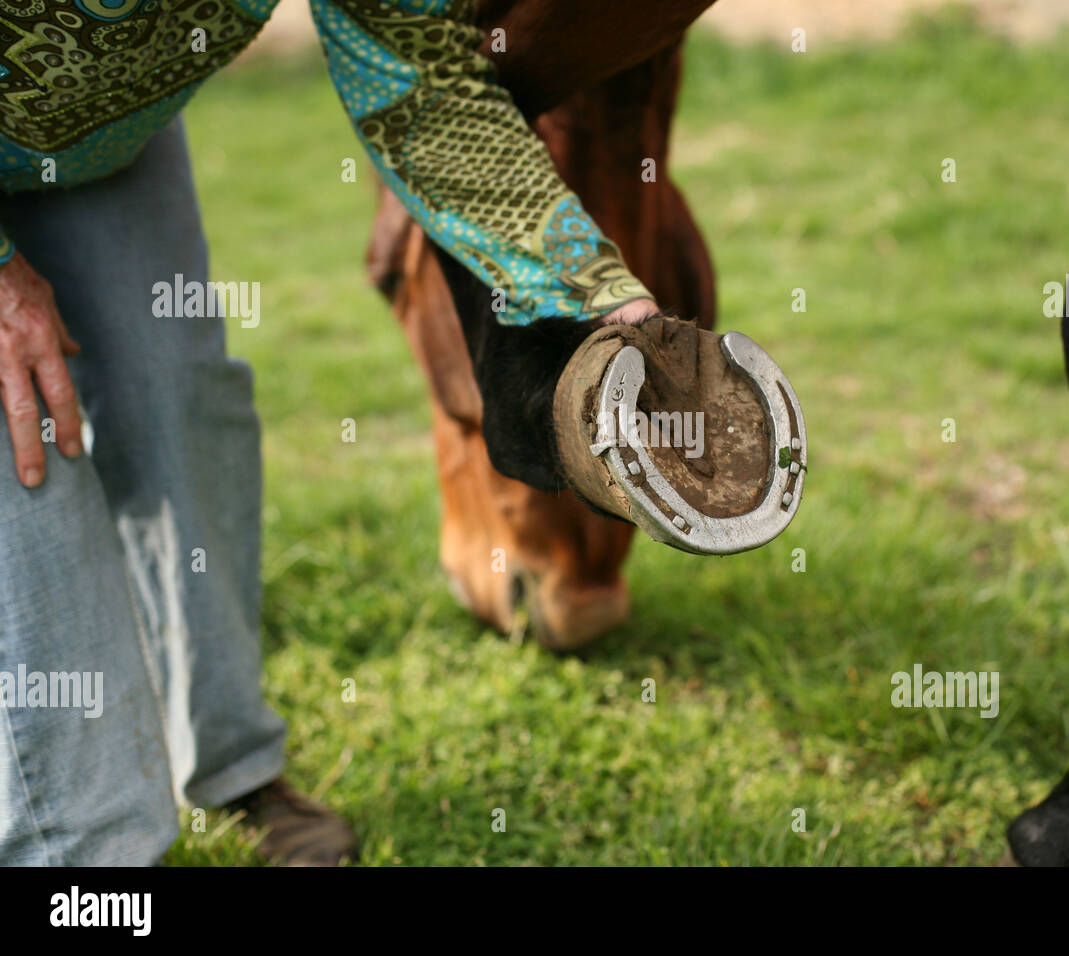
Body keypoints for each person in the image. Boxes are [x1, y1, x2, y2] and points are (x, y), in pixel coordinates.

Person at [0, 0, 655, 866]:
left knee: (182, 393)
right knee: (24, 445)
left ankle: (232, 763)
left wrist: (596, 288)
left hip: (93, 128)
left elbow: (421, 87)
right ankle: (81, 859)